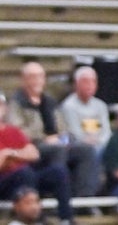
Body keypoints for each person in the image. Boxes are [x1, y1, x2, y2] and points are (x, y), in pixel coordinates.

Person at [6, 62, 101, 197]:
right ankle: (59, 194)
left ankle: (84, 198)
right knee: (57, 149)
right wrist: (45, 139)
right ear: (24, 79)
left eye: (40, 76)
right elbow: (17, 131)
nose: (37, 80)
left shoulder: (50, 102)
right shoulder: (16, 103)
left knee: (86, 150)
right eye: (32, 77)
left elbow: (65, 130)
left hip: (57, 142)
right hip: (33, 147)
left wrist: (62, 139)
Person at [0, 93, 73, 225]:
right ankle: (35, 218)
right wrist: (18, 155)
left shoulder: (13, 131)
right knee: (25, 172)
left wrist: (10, 153)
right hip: (5, 182)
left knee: (58, 171)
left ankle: (66, 219)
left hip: (25, 176)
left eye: (0, 105)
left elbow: (34, 154)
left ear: (4, 108)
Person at [59, 66, 112, 153]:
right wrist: (89, 142)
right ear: (76, 84)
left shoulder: (101, 105)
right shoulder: (69, 106)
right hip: (78, 147)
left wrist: (100, 141)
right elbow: (74, 133)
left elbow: (106, 132)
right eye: (86, 81)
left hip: (100, 145)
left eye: (93, 81)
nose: (90, 85)